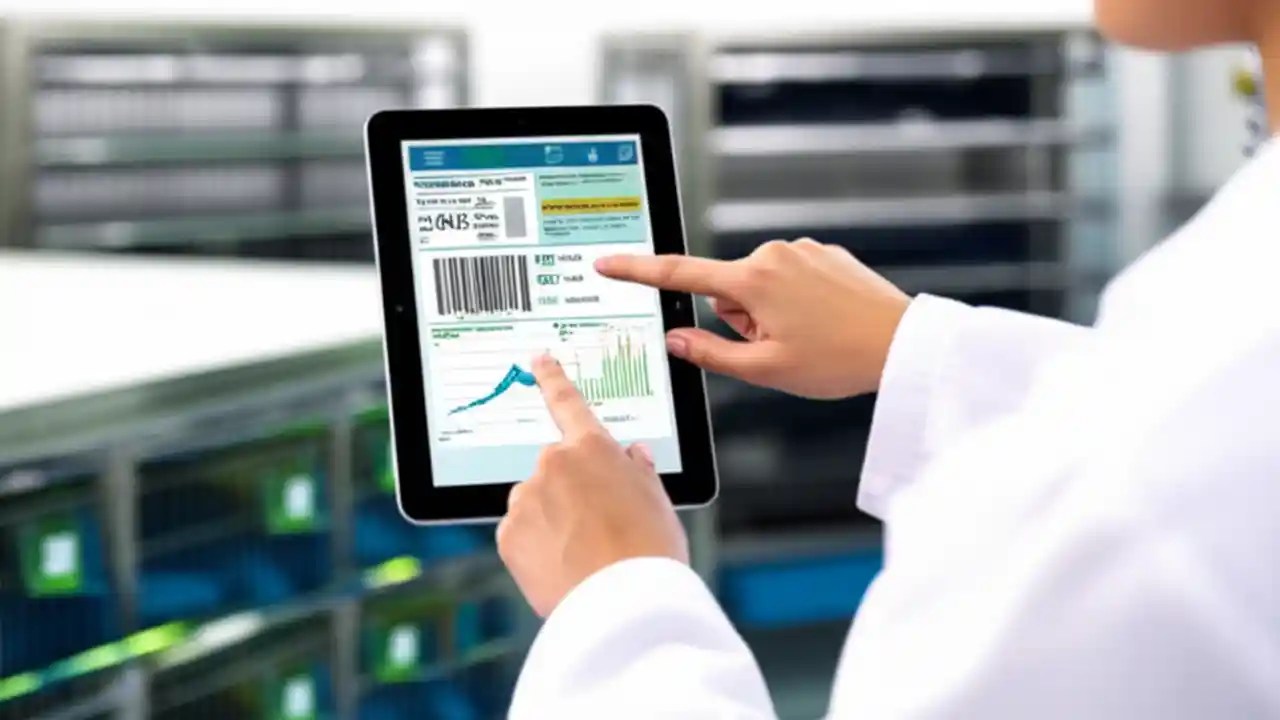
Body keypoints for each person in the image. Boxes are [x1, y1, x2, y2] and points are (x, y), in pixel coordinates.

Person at [495, 0, 1280, 716]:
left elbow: (1155, 459)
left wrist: (618, 600)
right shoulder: (1217, 347)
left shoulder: (1152, 476)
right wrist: (918, 347)